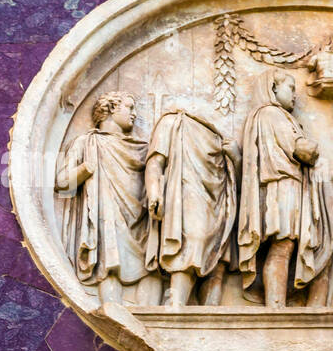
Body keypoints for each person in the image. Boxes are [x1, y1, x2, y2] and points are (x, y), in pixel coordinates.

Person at [234, 70, 333, 308]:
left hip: (276, 187)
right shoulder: (273, 114)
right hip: (282, 187)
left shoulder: (263, 116)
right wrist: (317, 150)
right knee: (282, 247)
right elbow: (303, 151)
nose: (295, 95)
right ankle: (275, 307)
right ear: (273, 89)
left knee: (282, 248)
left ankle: (275, 303)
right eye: (290, 88)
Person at [56, 90, 153, 304]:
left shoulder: (142, 149)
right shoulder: (85, 143)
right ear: (111, 109)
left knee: (150, 264)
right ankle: (112, 308)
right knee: (110, 260)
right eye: (129, 107)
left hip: (142, 216)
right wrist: (85, 169)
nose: (134, 114)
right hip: (107, 214)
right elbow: (62, 183)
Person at [144, 102, 238, 306]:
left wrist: (236, 157)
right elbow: (155, 162)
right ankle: (175, 303)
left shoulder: (217, 137)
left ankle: (210, 314)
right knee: (191, 242)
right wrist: (154, 193)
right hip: (188, 190)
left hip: (220, 196)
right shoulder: (172, 121)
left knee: (220, 255)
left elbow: (238, 179)